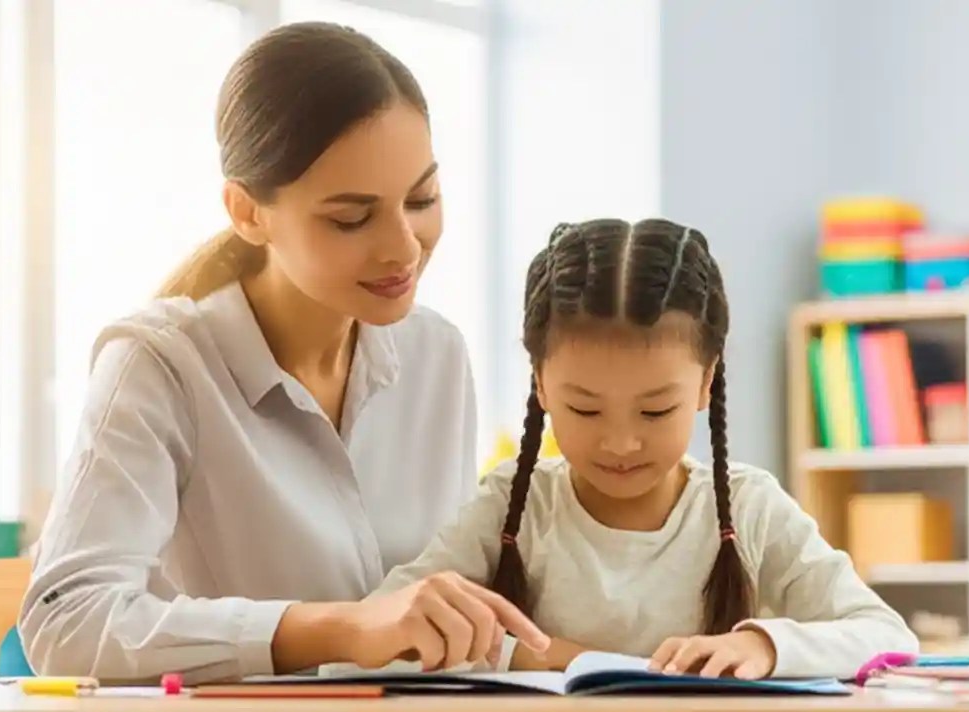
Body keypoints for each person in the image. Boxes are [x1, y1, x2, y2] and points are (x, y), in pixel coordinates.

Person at [19, 22, 547, 684]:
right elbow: (68, 621)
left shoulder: (435, 355)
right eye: (351, 218)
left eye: (422, 199)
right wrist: (341, 627)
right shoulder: (159, 364)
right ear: (248, 212)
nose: (404, 247)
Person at [370, 219, 919, 679]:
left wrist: (764, 647)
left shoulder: (748, 507)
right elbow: (377, 630)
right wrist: (558, 657)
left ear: (707, 382)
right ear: (539, 383)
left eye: (656, 411)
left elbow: (886, 637)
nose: (621, 443)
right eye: (584, 409)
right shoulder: (514, 505)